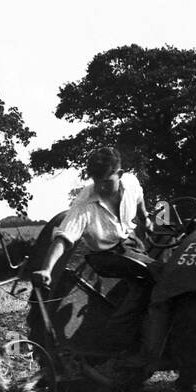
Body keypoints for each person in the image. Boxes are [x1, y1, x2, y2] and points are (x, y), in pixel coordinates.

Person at [32, 146, 159, 364]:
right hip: (106, 255)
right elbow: (63, 238)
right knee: (155, 279)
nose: (100, 187)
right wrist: (46, 268)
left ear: (120, 174)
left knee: (160, 273)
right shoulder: (84, 204)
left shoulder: (131, 183)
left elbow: (139, 198)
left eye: (107, 181)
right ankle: (123, 342)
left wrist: (145, 217)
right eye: (96, 181)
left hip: (130, 243)